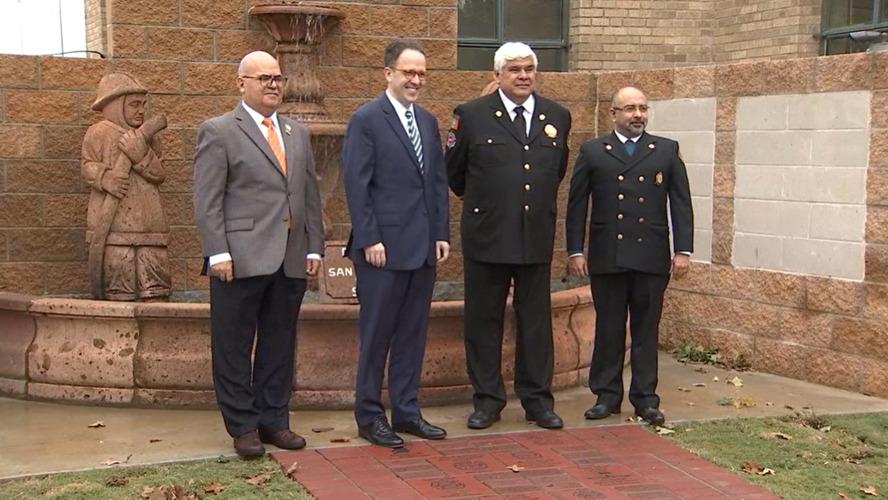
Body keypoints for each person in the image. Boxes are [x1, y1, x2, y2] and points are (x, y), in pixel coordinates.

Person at [193, 51, 324, 457]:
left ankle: (274, 420)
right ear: (241, 83)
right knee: (233, 344)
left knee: (279, 343)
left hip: (289, 258)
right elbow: (207, 199)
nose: (273, 84)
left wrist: (315, 246)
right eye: (263, 77)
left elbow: (309, 195)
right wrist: (218, 252)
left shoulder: (296, 133)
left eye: (278, 78)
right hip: (239, 258)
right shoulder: (218, 131)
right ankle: (243, 426)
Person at [445, 42, 571, 430]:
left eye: (529, 68)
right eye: (514, 69)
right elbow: (455, 173)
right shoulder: (472, 114)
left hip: (534, 234)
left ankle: (537, 401)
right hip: (488, 234)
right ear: (497, 74)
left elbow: (556, 170)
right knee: (483, 321)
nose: (523, 76)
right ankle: (487, 400)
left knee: (535, 322)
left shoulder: (557, 115)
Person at [342, 39, 450, 448]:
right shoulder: (367, 119)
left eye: (421, 73)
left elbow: (436, 183)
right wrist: (369, 237)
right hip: (381, 250)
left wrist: (441, 233)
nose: (415, 79)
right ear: (389, 73)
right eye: (408, 72)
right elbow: (357, 183)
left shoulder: (427, 120)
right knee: (377, 335)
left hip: (422, 248)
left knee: (412, 333)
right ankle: (369, 416)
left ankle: (407, 411)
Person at [565, 86, 693, 426]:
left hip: (651, 255)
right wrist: (575, 249)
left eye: (643, 108)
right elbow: (577, 204)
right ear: (613, 114)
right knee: (608, 327)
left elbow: (680, 201)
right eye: (630, 109)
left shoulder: (665, 150)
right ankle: (606, 396)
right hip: (609, 253)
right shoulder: (593, 151)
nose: (638, 114)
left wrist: (683, 249)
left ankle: (645, 399)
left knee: (646, 329)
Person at [82, 72, 171, 301]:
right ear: (115, 105)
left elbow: (160, 174)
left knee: (156, 289)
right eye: (134, 105)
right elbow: (87, 167)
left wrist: (140, 154)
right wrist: (106, 178)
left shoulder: (150, 138)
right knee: (119, 291)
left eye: (143, 105)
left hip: (149, 224)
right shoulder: (98, 134)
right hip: (113, 227)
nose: (141, 111)